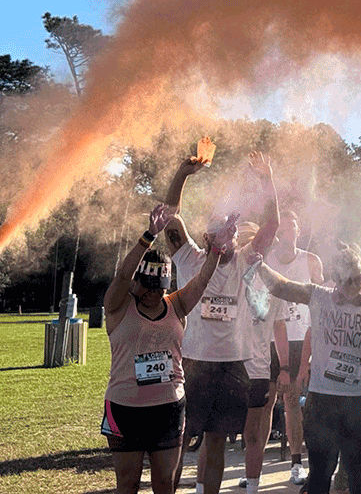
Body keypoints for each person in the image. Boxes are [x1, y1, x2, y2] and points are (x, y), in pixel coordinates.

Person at [165, 152, 280, 494]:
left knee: (216, 441)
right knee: (180, 438)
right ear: (206, 236)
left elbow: (271, 226)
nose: (228, 235)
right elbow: (170, 219)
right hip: (193, 362)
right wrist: (181, 175)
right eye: (219, 229)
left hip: (231, 366)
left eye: (231, 230)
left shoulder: (244, 260)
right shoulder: (189, 258)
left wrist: (267, 179)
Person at [257, 246, 361, 494]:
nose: (353, 286)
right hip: (323, 399)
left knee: (359, 475)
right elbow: (281, 286)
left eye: (358, 279)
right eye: (347, 281)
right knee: (320, 475)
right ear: (335, 278)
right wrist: (257, 263)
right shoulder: (319, 295)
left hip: (359, 401)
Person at [100, 203, 220, 494]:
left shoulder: (176, 305)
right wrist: (148, 237)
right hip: (125, 409)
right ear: (136, 283)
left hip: (168, 408)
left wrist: (217, 250)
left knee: (165, 484)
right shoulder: (117, 306)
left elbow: (202, 281)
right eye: (149, 286)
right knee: (127, 484)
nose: (155, 294)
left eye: (161, 287)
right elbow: (121, 277)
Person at [267, 209, 325, 485]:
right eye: (282, 228)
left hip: (302, 337)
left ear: (299, 232)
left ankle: (297, 463)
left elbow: (322, 302)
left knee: (294, 401)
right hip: (269, 338)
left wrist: (317, 345)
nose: (286, 233)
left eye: (291, 227)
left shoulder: (310, 260)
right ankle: (253, 468)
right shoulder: (266, 260)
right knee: (265, 403)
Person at [233, 222, 285, 494]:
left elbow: (279, 325)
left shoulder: (272, 281)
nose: (246, 247)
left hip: (258, 367)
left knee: (255, 430)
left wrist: (285, 367)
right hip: (226, 365)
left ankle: (252, 482)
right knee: (213, 434)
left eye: (251, 241)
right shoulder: (223, 274)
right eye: (241, 241)